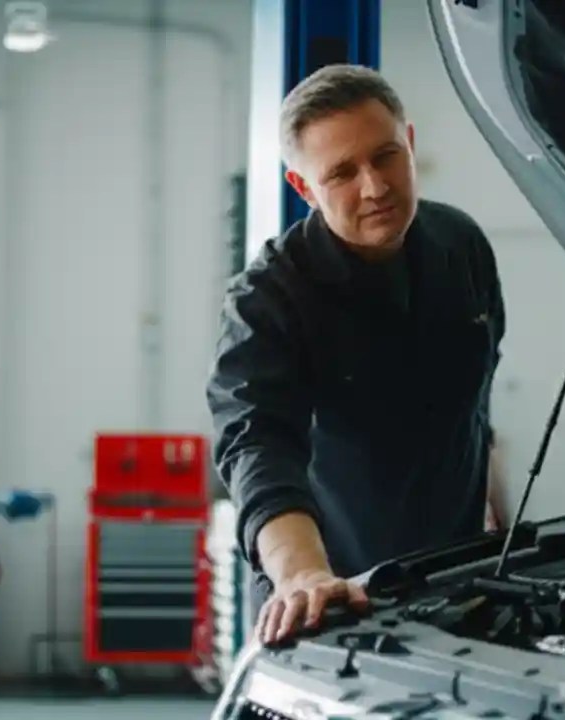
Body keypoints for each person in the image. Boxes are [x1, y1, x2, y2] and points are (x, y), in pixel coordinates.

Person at [207, 64, 505, 645]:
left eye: (386, 155)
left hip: (457, 582)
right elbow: (256, 444)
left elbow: (475, 410)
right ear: (304, 188)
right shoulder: (268, 298)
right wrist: (301, 574)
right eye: (342, 172)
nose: (375, 187)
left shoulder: (462, 248)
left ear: (411, 144)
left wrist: (499, 515)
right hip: (334, 599)